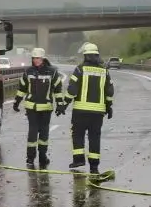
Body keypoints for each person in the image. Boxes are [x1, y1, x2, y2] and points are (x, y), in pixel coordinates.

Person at [65, 42, 114, 175]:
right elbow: (109, 91)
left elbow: (72, 90)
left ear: (85, 56)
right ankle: (94, 166)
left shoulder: (80, 69)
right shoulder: (104, 70)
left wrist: (64, 104)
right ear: (97, 55)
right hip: (98, 112)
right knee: (94, 137)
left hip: (80, 111)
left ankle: (79, 159)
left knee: (78, 134)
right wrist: (109, 107)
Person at [12, 47, 65, 168]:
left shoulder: (52, 72)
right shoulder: (28, 72)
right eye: (34, 58)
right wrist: (16, 102)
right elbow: (22, 89)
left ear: (43, 58)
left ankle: (42, 157)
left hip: (46, 108)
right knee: (32, 132)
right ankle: (30, 158)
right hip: (32, 108)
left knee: (44, 133)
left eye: (38, 58)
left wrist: (60, 105)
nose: (36, 60)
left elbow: (57, 90)